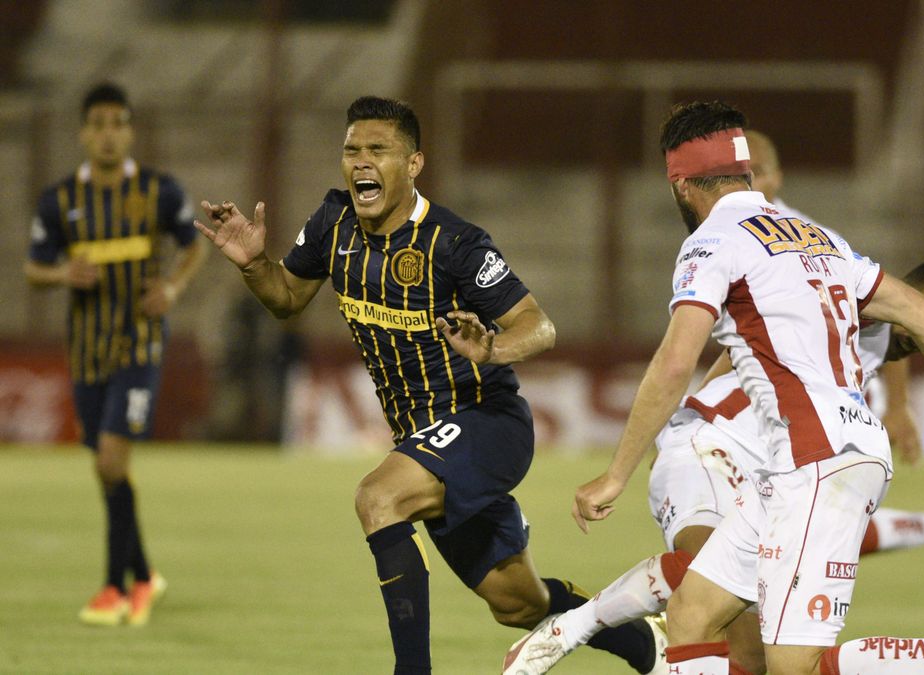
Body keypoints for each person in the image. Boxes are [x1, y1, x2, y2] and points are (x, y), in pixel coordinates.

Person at [572, 101, 924, 674]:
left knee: (793, 666)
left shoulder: (711, 242)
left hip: (817, 463)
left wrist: (618, 473)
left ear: (680, 184)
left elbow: (675, 363)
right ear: (747, 174)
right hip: (812, 460)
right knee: (691, 614)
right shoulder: (816, 235)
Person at [195, 96, 665, 674]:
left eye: (378, 150)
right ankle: (647, 646)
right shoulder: (332, 223)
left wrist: (490, 346)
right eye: (351, 151)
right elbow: (286, 298)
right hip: (421, 440)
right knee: (518, 604)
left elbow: (537, 326)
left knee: (378, 497)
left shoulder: (454, 243)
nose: (361, 162)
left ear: (413, 163)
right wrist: (252, 262)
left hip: (486, 422)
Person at [502, 259, 924, 675]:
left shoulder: (870, 349)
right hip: (713, 444)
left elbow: (916, 322)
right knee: (699, 576)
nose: (922, 326)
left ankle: (650, 648)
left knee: (753, 656)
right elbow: (914, 312)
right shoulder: (846, 301)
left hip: (764, 465)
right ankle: (572, 627)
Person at [24, 83, 206, 627]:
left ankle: (114, 590)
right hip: (86, 351)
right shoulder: (59, 201)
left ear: (129, 131)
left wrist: (172, 289)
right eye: (98, 124)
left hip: (139, 345)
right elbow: (34, 269)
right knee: (107, 469)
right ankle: (145, 575)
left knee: (109, 460)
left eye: (117, 123)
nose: (107, 134)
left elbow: (193, 245)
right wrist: (62, 274)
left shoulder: (158, 192)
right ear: (83, 132)